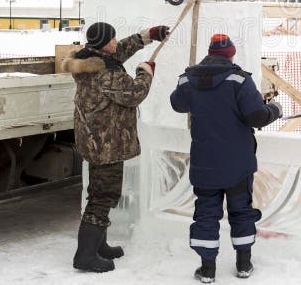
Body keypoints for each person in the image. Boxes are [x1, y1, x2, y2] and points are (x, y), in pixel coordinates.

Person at [170, 34, 282, 283]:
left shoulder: (189, 78)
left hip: (204, 161)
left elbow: (177, 104)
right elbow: (256, 117)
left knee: (206, 213)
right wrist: (275, 109)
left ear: (209, 53)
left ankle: (207, 268)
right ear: (230, 54)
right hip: (237, 163)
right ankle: (244, 264)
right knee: (241, 211)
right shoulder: (239, 80)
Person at [62, 21, 169, 273]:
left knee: (100, 191)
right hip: (106, 143)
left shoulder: (90, 58)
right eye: (111, 38)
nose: (115, 42)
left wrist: (147, 37)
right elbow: (134, 93)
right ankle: (85, 255)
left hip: (95, 140)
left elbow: (118, 50)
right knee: (103, 196)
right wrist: (146, 71)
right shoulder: (105, 74)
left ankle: (99, 245)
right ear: (102, 43)